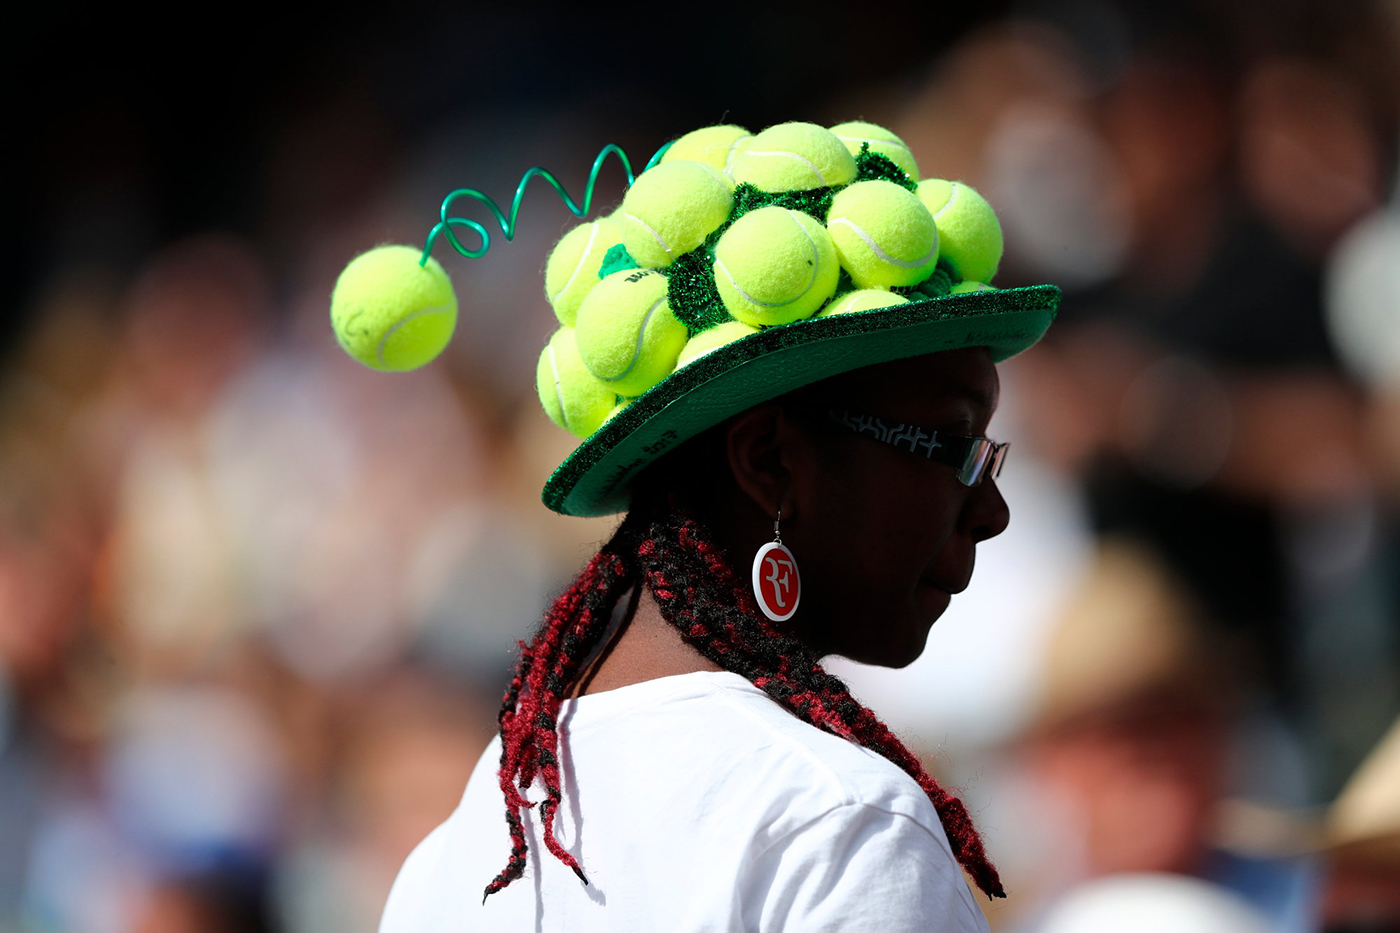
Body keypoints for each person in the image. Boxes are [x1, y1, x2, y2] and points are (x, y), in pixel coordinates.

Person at [334, 121, 1061, 931]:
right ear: (773, 462)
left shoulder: (451, 861)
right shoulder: (841, 825)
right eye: (955, 446)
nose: (992, 510)